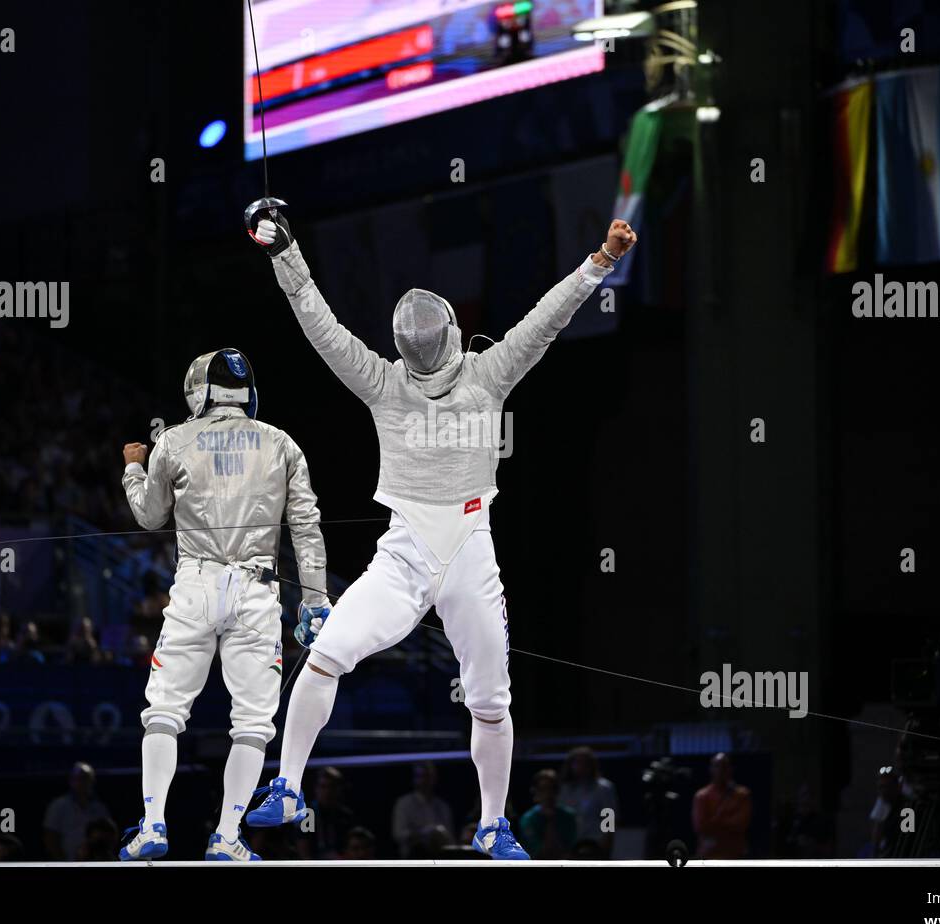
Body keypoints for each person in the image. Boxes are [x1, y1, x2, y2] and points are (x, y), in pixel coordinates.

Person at [245, 204, 636, 861]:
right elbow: (545, 322)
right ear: (455, 333)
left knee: (327, 657)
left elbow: (317, 321)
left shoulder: (380, 382)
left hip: (409, 556)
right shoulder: (488, 377)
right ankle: (489, 824)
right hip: (458, 552)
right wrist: (601, 260)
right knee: (488, 702)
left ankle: (289, 782)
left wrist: (283, 250)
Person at [118, 348, 330, 863]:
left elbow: (148, 516)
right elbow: (306, 526)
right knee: (253, 723)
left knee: (165, 710)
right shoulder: (281, 443)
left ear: (199, 392)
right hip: (257, 593)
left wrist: (132, 470)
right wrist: (316, 602)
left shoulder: (173, 440)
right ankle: (228, 836)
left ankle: (152, 826)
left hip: (195, 586)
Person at [43, 762, 111, 861]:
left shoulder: (100, 808)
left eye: (86, 779)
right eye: (79, 778)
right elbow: (50, 837)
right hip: (66, 864)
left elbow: (108, 836)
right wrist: (62, 863)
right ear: (71, 781)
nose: (83, 783)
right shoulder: (58, 806)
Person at [559, 746, 618, 856]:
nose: (581, 766)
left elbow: (609, 816)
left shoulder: (604, 788)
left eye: (585, 763)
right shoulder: (565, 789)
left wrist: (607, 840)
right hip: (571, 844)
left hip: (596, 843)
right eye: (577, 762)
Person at [692, 753, 752, 859]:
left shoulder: (742, 795)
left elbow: (741, 824)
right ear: (711, 769)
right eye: (717, 766)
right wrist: (726, 821)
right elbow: (700, 826)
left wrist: (714, 823)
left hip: (735, 854)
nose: (720, 770)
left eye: (724, 766)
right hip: (709, 854)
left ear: (730, 769)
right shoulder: (701, 796)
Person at [390, 761, 456, 858]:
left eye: (428, 776)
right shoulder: (404, 803)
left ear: (434, 778)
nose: (424, 780)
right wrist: (424, 834)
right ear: (414, 779)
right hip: (413, 858)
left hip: (440, 857)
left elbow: (451, 839)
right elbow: (399, 834)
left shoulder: (443, 806)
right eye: (420, 776)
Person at [518, 769, 578, 859]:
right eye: (543, 789)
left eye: (552, 788)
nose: (548, 794)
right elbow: (541, 853)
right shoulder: (528, 819)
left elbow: (569, 851)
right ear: (535, 791)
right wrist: (549, 821)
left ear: (557, 791)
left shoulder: (569, 816)